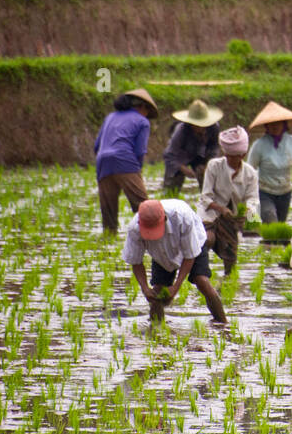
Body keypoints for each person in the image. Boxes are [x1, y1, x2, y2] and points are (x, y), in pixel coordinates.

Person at [123, 197, 227, 324]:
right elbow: (136, 261)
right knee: (157, 291)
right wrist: (145, 288)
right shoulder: (134, 228)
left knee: (202, 281)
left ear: (164, 219)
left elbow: (189, 256)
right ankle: (156, 329)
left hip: (193, 241)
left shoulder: (182, 217)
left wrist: (176, 287)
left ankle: (222, 323)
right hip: (160, 252)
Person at [94, 87, 158, 234]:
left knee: (108, 207)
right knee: (143, 206)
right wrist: (137, 170)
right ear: (142, 107)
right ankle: (151, 235)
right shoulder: (142, 121)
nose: (147, 114)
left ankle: (109, 237)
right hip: (125, 160)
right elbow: (139, 150)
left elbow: (97, 145)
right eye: (147, 111)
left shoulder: (110, 117)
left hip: (103, 161)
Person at [197, 126, 259, 276]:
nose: (231, 159)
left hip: (232, 218)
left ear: (243, 155)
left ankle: (227, 283)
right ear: (224, 153)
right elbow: (205, 196)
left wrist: (249, 216)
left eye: (236, 156)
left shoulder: (250, 173)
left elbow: (253, 199)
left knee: (230, 258)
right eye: (229, 156)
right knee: (207, 239)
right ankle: (201, 272)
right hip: (210, 214)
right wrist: (221, 209)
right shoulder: (214, 166)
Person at [247, 100, 292, 222]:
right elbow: (249, 171)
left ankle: (270, 242)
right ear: (266, 126)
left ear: (285, 124)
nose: (275, 126)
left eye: (278, 123)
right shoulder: (259, 145)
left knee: (279, 229)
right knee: (270, 218)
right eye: (271, 124)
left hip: (285, 192)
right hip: (264, 192)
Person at [163, 99, 222, 193]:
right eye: (197, 125)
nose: (200, 127)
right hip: (180, 156)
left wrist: (209, 164)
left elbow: (214, 147)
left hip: (201, 155)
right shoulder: (181, 130)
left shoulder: (214, 127)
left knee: (209, 177)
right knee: (172, 185)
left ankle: (209, 200)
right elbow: (169, 155)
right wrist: (183, 168)